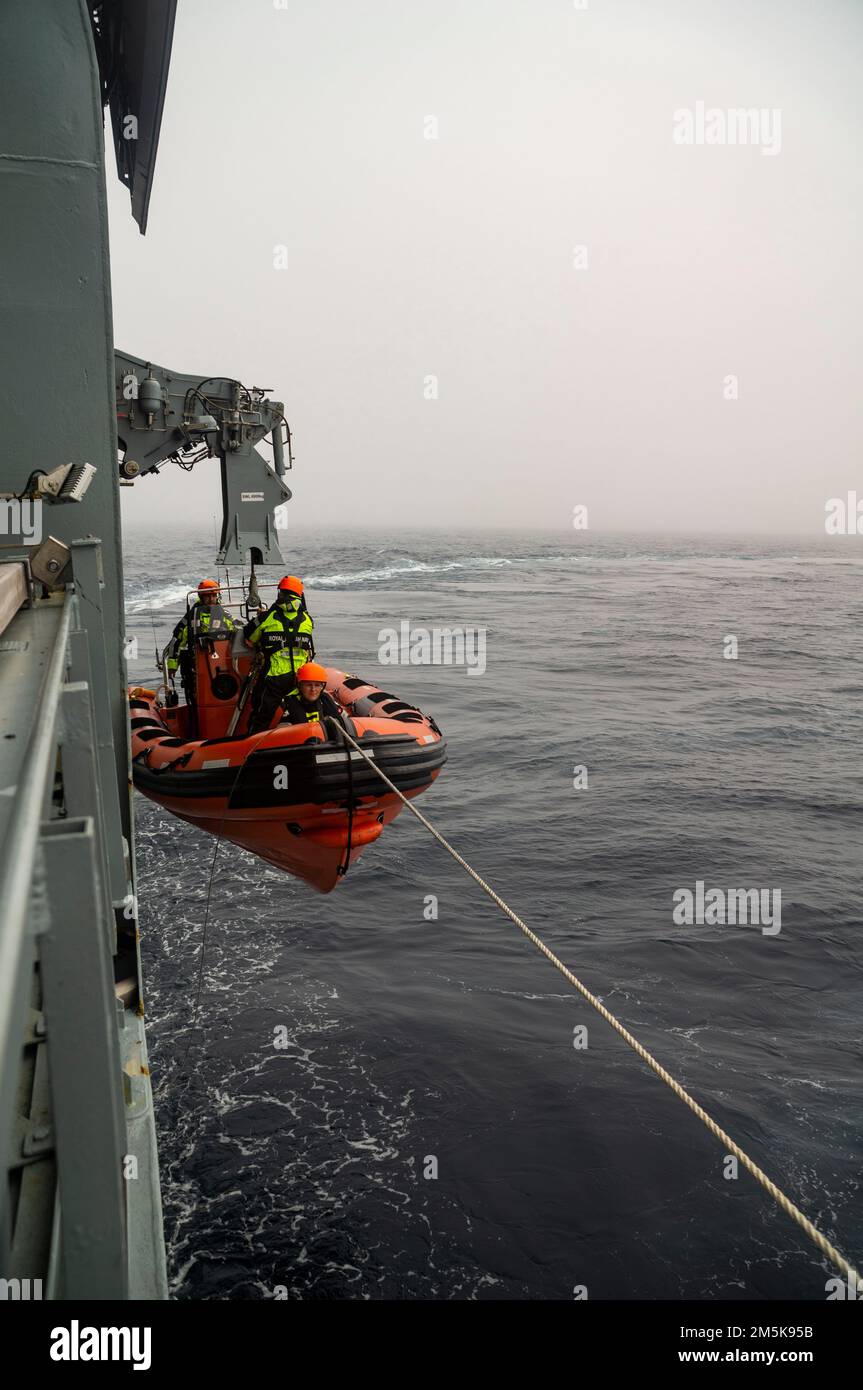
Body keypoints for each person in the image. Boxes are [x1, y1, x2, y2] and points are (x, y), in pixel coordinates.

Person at [244, 575, 315, 733]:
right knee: (303, 714)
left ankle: (253, 745)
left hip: (274, 678)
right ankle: (306, 738)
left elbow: (249, 638)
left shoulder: (266, 617)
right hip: (299, 677)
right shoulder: (307, 620)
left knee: (261, 713)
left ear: (280, 594)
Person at [165, 579, 237, 702]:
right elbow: (177, 641)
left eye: (214, 595)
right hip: (197, 662)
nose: (211, 599)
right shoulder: (191, 617)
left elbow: (237, 631)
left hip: (222, 661)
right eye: (207, 596)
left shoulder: (225, 615)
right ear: (201, 597)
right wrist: (173, 666)